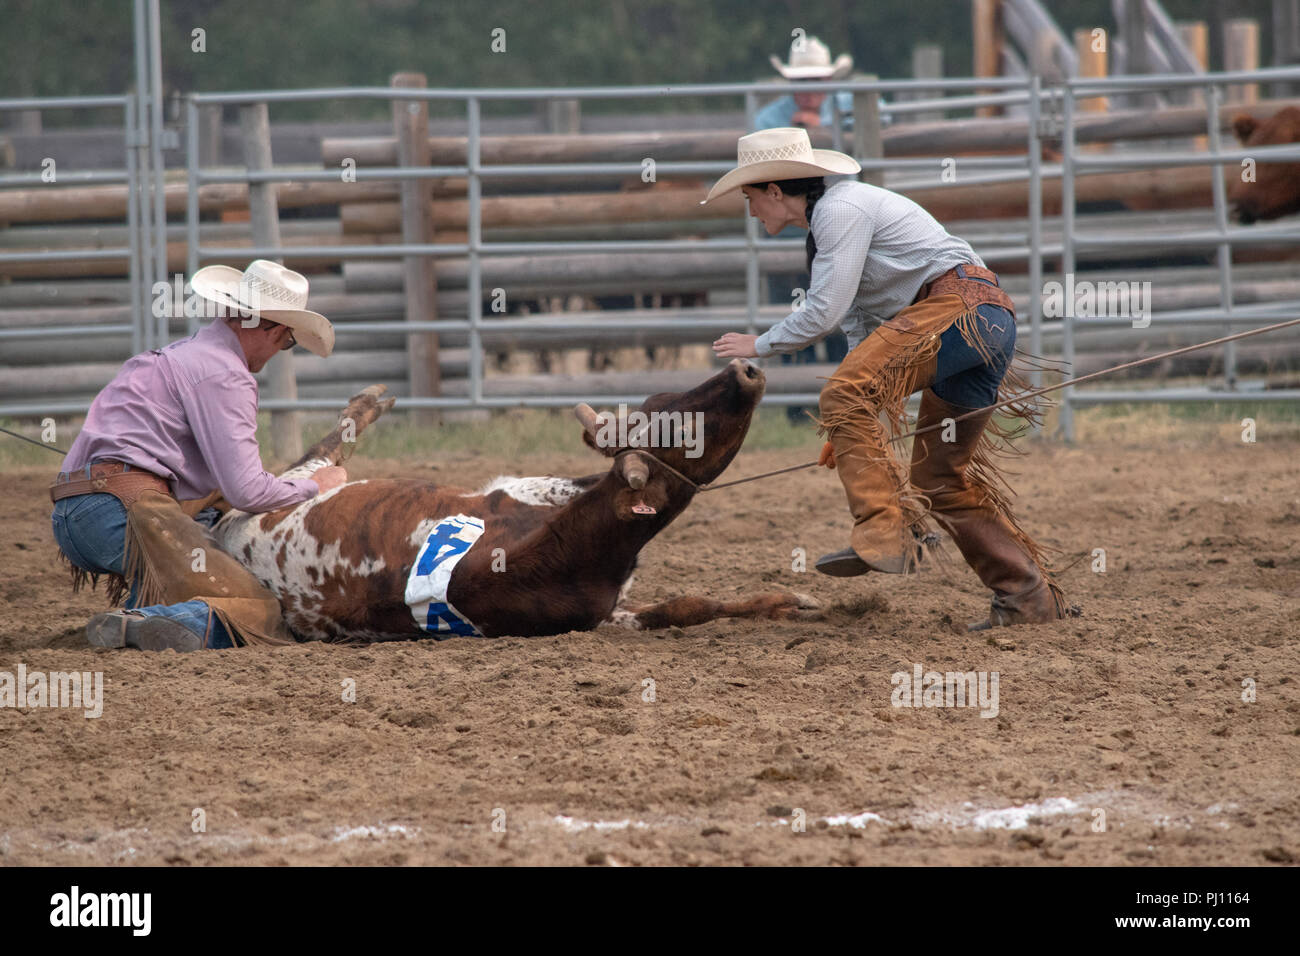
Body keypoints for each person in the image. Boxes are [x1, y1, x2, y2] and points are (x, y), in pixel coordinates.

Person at [705, 128, 1075, 629]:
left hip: (956, 310)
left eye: (750, 198)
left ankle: (886, 531)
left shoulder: (839, 211)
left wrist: (759, 344)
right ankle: (1028, 599)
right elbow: (861, 330)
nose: (750, 211)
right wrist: (854, 422)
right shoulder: (834, 222)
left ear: (774, 191)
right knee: (938, 478)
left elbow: (825, 313)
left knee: (844, 392)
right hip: (982, 319)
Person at [50, 260, 347, 652]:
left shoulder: (176, 356)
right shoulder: (227, 374)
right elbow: (246, 491)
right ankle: (153, 620)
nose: (282, 350)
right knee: (259, 607)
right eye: (287, 340)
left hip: (73, 514)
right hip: (121, 514)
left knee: (206, 524)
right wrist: (313, 486)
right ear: (271, 329)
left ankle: (142, 615)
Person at [754, 36, 854, 421]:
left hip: (838, 229)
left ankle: (845, 399)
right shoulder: (770, 118)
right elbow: (757, 148)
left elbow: (883, 120)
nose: (810, 91)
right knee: (796, 309)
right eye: (802, 83)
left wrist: (823, 127)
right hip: (792, 232)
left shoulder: (848, 105)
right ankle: (800, 408)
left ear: (829, 81)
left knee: (842, 311)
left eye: (816, 82)